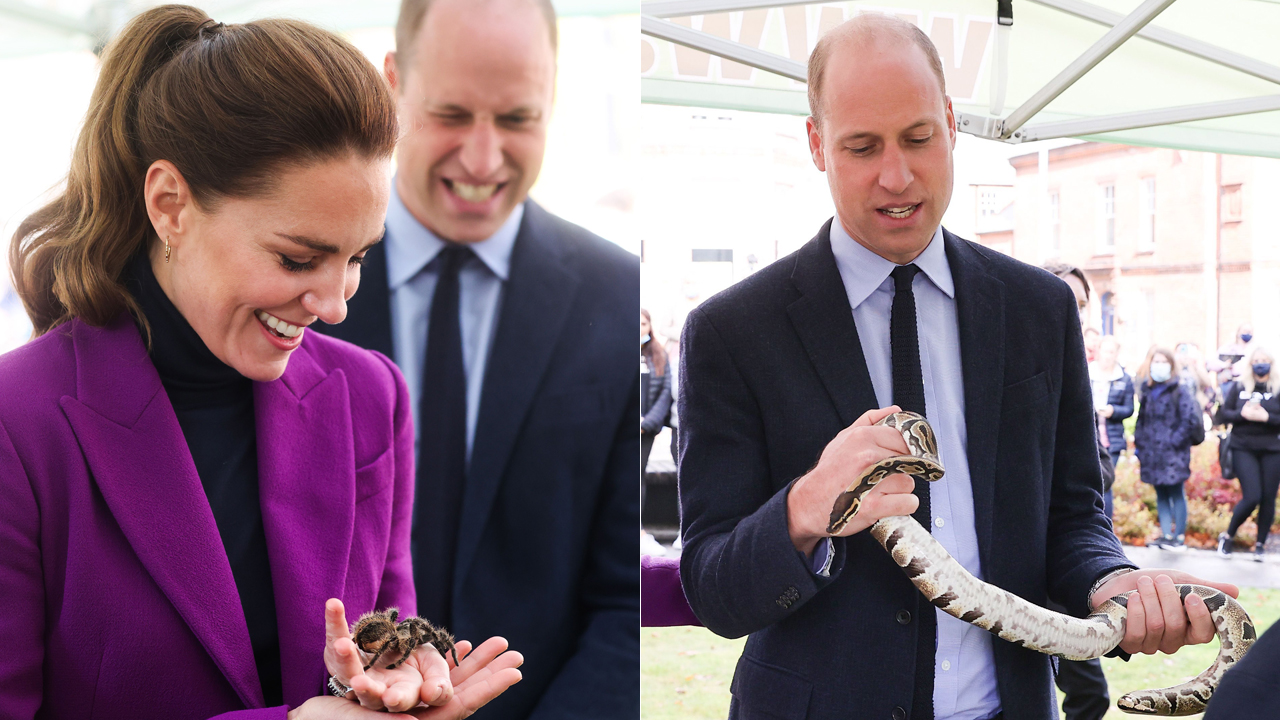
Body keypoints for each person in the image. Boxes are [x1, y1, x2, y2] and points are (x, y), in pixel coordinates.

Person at [676, 14, 1235, 720]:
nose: (897, 175)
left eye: (918, 138)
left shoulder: (1039, 308)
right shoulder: (731, 332)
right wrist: (808, 505)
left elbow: (1072, 514)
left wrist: (1111, 581)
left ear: (951, 122)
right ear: (816, 143)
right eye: (861, 146)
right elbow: (714, 587)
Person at [0, 7, 522, 718]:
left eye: (358, 257)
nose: (336, 304)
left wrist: (382, 690)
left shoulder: (371, 397)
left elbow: (378, 648)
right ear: (170, 205)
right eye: (299, 258)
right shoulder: (17, 424)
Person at [311, 0, 640, 717]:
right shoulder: (293, 287)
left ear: (552, 100)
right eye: (452, 114)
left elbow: (625, 602)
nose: (484, 159)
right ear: (394, 84)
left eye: (518, 119)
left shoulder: (617, 295)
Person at [1133, 346, 1202, 552]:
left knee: (1176, 492)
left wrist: (1173, 441)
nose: (1159, 366)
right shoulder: (1147, 391)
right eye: (1156, 362)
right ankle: (1166, 535)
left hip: (1174, 453)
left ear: (1171, 366)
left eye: (1164, 362)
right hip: (1152, 453)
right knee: (1161, 493)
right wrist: (1141, 445)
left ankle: (1178, 536)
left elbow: (1188, 420)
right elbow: (1142, 421)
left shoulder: (1180, 391)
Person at [1215, 347, 1280, 561]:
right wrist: (1242, 415)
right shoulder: (1239, 386)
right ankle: (1228, 535)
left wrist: (1267, 418)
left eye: (1264, 359)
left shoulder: (1277, 388)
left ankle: (1260, 544)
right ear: (1250, 363)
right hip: (1243, 447)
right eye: (1257, 360)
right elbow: (1223, 414)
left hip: (1272, 448)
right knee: (1252, 496)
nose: (1260, 363)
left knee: (1268, 498)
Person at [1091, 336, 1135, 506]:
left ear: (1116, 354)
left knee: (1105, 482)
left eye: (1111, 351)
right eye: (1105, 350)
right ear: (1098, 351)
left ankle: (1106, 525)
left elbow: (1129, 408)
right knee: (1092, 483)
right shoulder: (1086, 373)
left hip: (1112, 439)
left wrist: (1114, 411)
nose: (1108, 355)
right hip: (1089, 436)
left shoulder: (1123, 379)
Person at [642, 308, 673, 472]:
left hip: (646, 428)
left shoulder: (659, 354)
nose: (639, 328)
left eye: (643, 324)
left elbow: (666, 391)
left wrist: (647, 423)